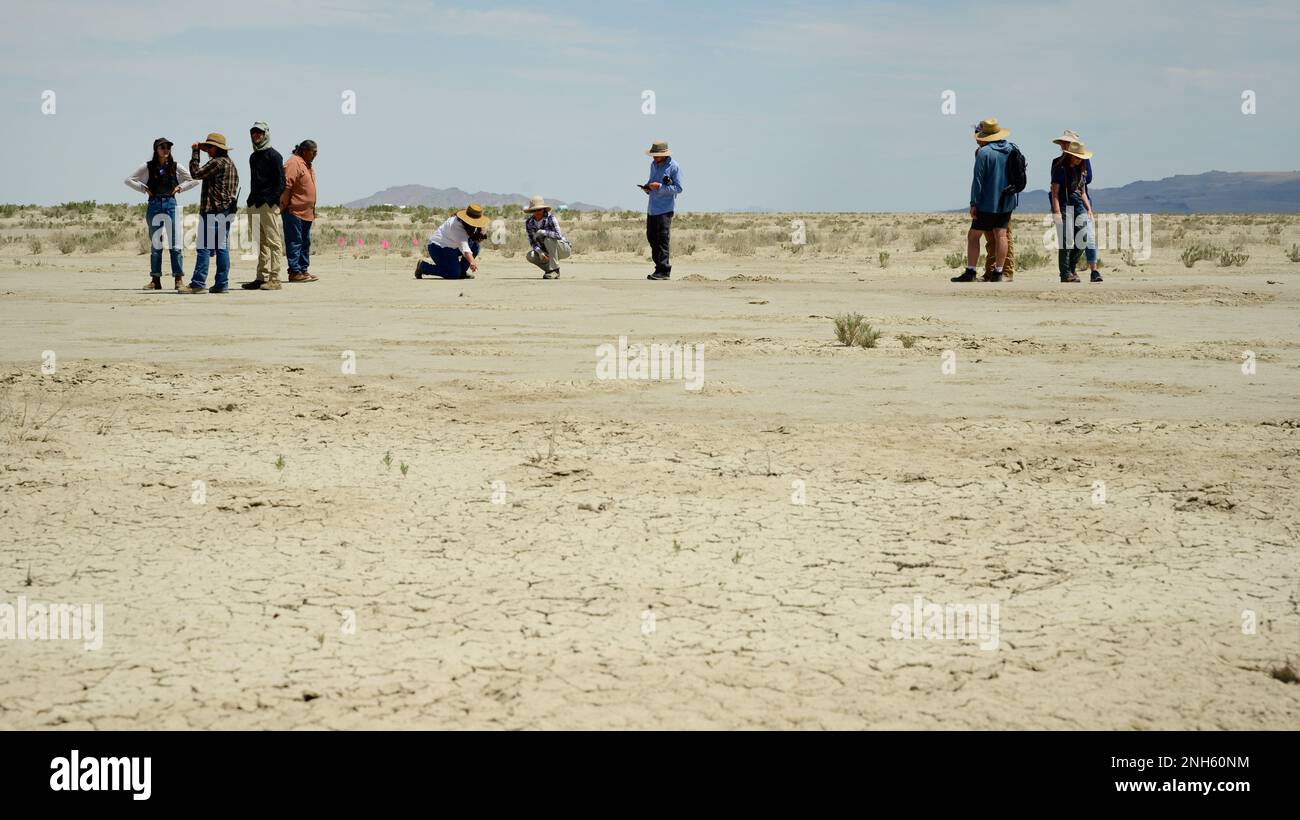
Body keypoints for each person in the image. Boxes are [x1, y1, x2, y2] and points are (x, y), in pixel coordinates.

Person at [125, 137, 199, 291]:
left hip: (170, 204)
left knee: (175, 243)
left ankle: (178, 279)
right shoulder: (148, 166)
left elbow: (193, 180)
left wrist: (180, 188)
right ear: (156, 150)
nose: (166, 150)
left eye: (168, 147)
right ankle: (155, 280)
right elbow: (129, 180)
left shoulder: (175, 166)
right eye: (162, 147)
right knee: (156, 244)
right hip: (154, 205)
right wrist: (144, 189)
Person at [954, 118, 1019, 283]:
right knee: (1001, 235)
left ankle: (971, 271)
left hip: (987, 202)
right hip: (1007, 201)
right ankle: (999, 272)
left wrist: (973, 203)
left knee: (973, 236)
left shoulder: (984, 153)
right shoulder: (1011, 149)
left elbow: (978, 181)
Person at [186, 133, 240, 294]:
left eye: (210, 147)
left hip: (212, 211)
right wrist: (203, 149)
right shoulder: (231, 164)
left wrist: (195, 153)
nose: (207, 150)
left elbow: (195, 173)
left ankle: (198, 283)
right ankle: (222, 283)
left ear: (216, 148)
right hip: (226, 211)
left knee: (203, 247)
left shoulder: (217, 163)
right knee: (222, 247)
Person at [239, 121, 286, 291]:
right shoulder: (253, 156)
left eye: (259, 132)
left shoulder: (275, 156)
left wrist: (270, 200)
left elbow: (282, 183)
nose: (255, 135)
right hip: (254, 203)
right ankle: (261, 277)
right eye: (253, 132)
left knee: (274, 241)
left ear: (266, 134)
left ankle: (275, 278)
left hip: (268, 204)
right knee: (260, 242)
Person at [1050, 141, 1099, 283]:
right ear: (1070, 156)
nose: (1079, 160)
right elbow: (1054, 192)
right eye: (1077, 157)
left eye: (1081, 157)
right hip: (1065, 207)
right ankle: (1065, 273)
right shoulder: (1060, 169)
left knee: (1082, 239)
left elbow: (1082, 191)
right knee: (1066, 242)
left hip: (1079, 207)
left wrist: (1089, 208)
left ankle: (1071, 267)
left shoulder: (1081, 169)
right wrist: (1057, 211)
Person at [641, 140, 683, 280]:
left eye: (657, 155)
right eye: (653, 155)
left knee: (662, 240)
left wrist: (659, 187)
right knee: (652, 238)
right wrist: (648, 188)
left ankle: (664, 270)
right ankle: (658, 268)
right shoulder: (653, 165)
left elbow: (678, 188)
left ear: (664, 154)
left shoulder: (674, 167)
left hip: (665, 209)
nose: (654, 157)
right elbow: (651, 182)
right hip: (652, 208)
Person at [414, 203, 489, 279]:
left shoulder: (466, 224)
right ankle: (423, 267)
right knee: (453, 274)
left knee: (475, 246)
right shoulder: (456, 226)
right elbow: (465, 248)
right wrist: (472, 262)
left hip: (452, 247)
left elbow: (466, 243)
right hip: (438, 248)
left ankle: (462, 272)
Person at [281, 140, 318, 283]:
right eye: (313, 152)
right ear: (304, 151)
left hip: (306, 213)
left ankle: (303, 270)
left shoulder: (307, 165)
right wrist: (284, 205)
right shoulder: (293, 163)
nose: (316, 154)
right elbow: (286, 186)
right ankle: (294, 272)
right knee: (294, 241)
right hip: (294, 211)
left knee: (304, 242)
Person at [523, 196, 571, 279]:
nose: (537, 212)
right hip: (546, 251)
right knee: (530, 255)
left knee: (548, 239)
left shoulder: (551, 219)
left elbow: (558, 235)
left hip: (562, 249)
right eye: (534, 210)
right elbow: (532, 241)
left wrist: (543, 232)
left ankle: (555, 270)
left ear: (543, 209)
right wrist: (540, 252)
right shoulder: (529, 222)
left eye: (539, 209)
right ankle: (550, 271)